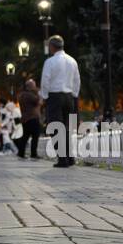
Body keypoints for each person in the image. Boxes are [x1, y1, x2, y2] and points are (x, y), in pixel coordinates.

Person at [40, 35, 80, 167]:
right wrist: (74, 96)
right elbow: (77, 80)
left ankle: (63, 159)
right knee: (67, 128)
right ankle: (70, 157)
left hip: (55, 97)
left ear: (51, 47)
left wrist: (45, 96)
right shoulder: (72, 61)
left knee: (55, 128)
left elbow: (45, 81)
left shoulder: (50, 62)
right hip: (69, 97)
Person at [17, 77, 42, 159]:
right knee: (35, 136)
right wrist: (38, 93)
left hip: (25, 118)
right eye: (34, 85)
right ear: (31, 86)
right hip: (33, 118)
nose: (36, 87)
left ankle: (21, 153)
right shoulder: (30, 95)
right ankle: (33, 154)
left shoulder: (21, 95)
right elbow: (38, 101)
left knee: (25, 136)